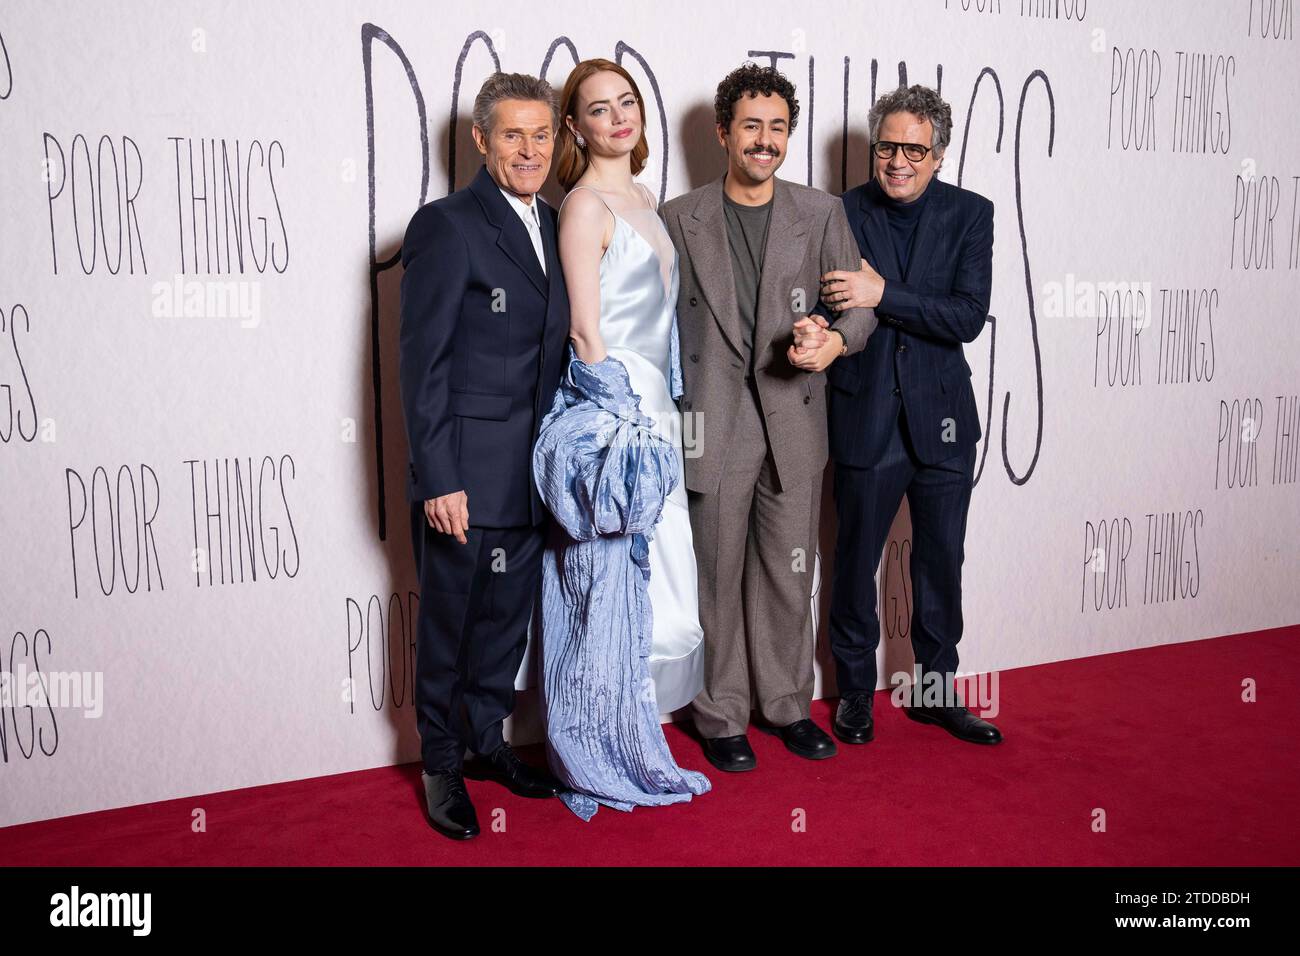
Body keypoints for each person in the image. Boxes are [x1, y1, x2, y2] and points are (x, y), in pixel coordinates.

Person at [659, 63, 877, 773]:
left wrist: (834, 340)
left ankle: (786, 705)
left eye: (778, 128)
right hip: (709, 423)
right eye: (750, 126)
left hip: (793, 418)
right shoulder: (678, 217)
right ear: (723, 132)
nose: (765, 140)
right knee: (714, 575)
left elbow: (860, 306)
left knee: (789, 572)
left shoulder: (821, 213)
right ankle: (720, 713)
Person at [532, 59, 711, 820]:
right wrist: (620, 422)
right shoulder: (583, 205)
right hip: (613, 410)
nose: (619, 117)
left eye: (628, 102)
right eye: (600, 109)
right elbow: (583, 326)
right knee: (608, 580)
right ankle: (598, 747)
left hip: (655, 411)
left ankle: (633, 732)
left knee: (659, 582)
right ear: (575, 126)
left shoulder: (644, 197)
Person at [397, 72, 571, 840]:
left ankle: (482, 742)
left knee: (504, 624)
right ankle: (439, 762)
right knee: (449, 626)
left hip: (533, 474)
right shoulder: (446, 225)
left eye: (541, 134)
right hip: (466, 474)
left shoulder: (560, 221)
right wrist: (439, 477)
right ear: (480, 140)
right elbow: (421, 362)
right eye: (512, 135)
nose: (529, 150)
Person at [815, 83, 1002, 746]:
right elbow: (828, 301)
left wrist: (881, 292)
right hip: (864, 414)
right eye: (888, 146)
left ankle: (934, 691)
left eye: (915, 149)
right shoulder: (839, 212)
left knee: (941, 562)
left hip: (944, 422)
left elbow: (966, 316)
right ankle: (856, 694)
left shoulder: (971, 215)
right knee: (854, 562)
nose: (899, 160)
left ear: (940, 154)